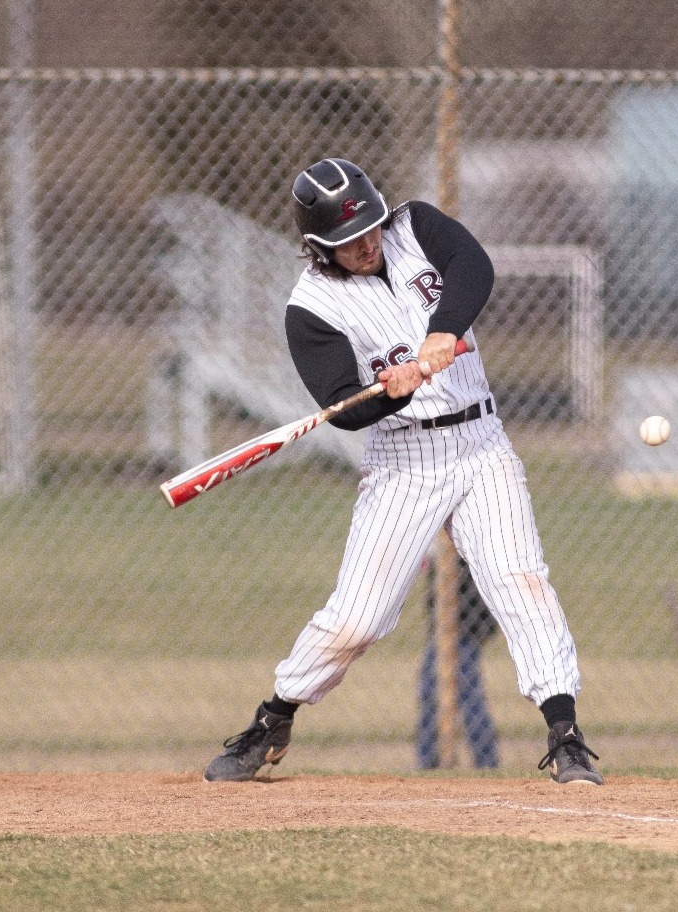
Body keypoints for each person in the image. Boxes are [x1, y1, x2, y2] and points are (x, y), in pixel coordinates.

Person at [203, 157, 602, 785]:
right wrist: (391, 390)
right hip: (402, 463)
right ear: (317, 247)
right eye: (346, 241)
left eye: (368, 229)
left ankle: (566, 732)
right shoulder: (309, 309)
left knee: (519, 581)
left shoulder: (414, 226)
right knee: (358, 617)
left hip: (480, 444)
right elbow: (343, 409)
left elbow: (475, 266)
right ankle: (274, 719)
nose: (365, 245)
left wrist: (443, 331)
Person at [416, 550, 499, 770]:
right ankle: (482, 763)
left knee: (460, 693)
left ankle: (482, 763)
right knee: (436, 688)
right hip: (453, 621)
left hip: (464, 620)